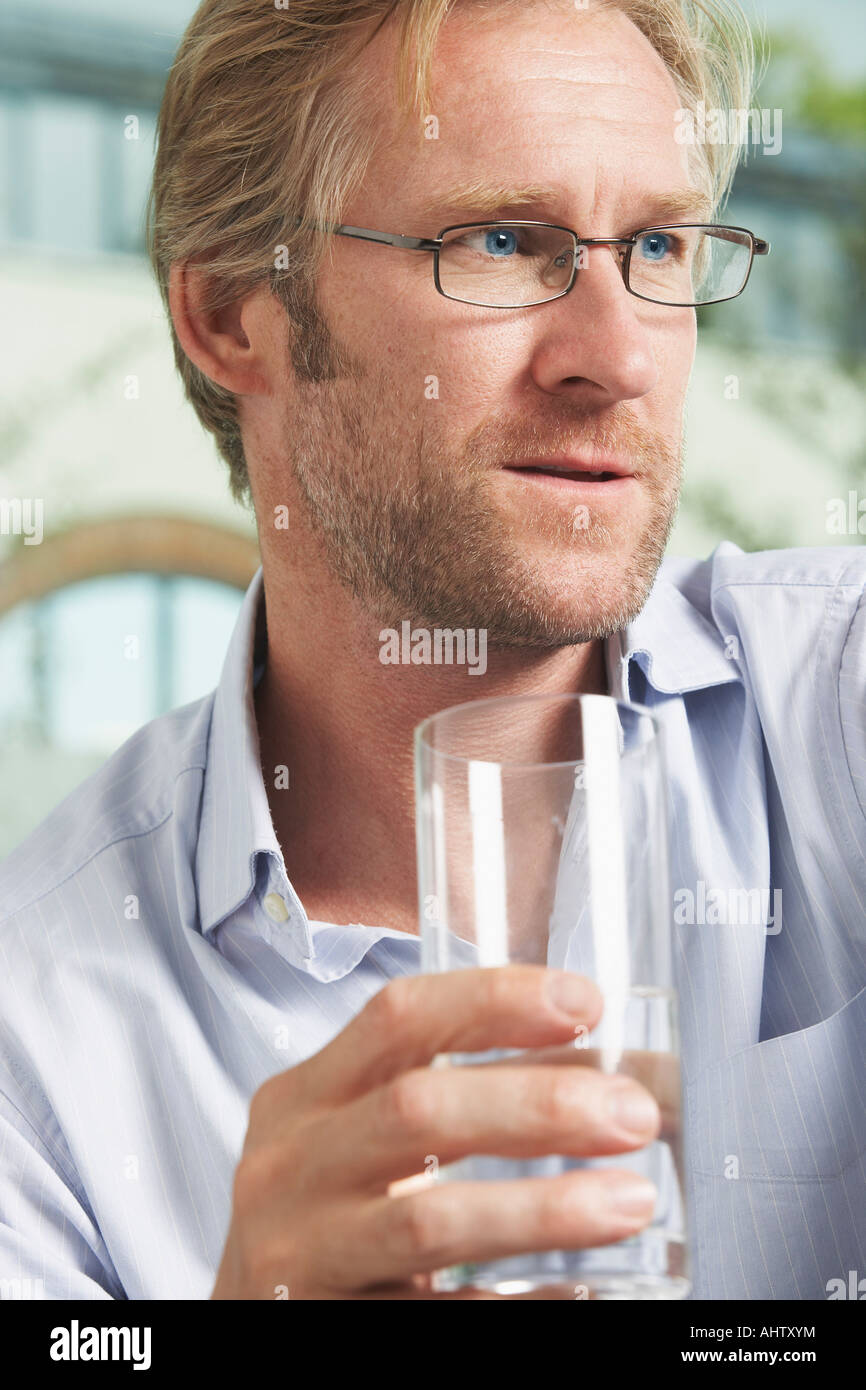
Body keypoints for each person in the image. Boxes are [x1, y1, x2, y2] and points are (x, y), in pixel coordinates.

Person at [0, 0, 863, 1302]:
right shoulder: (37, 1040)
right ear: (235, 312)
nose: (615, 356)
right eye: (504, 241)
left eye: (657, 245)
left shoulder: (837, 706)